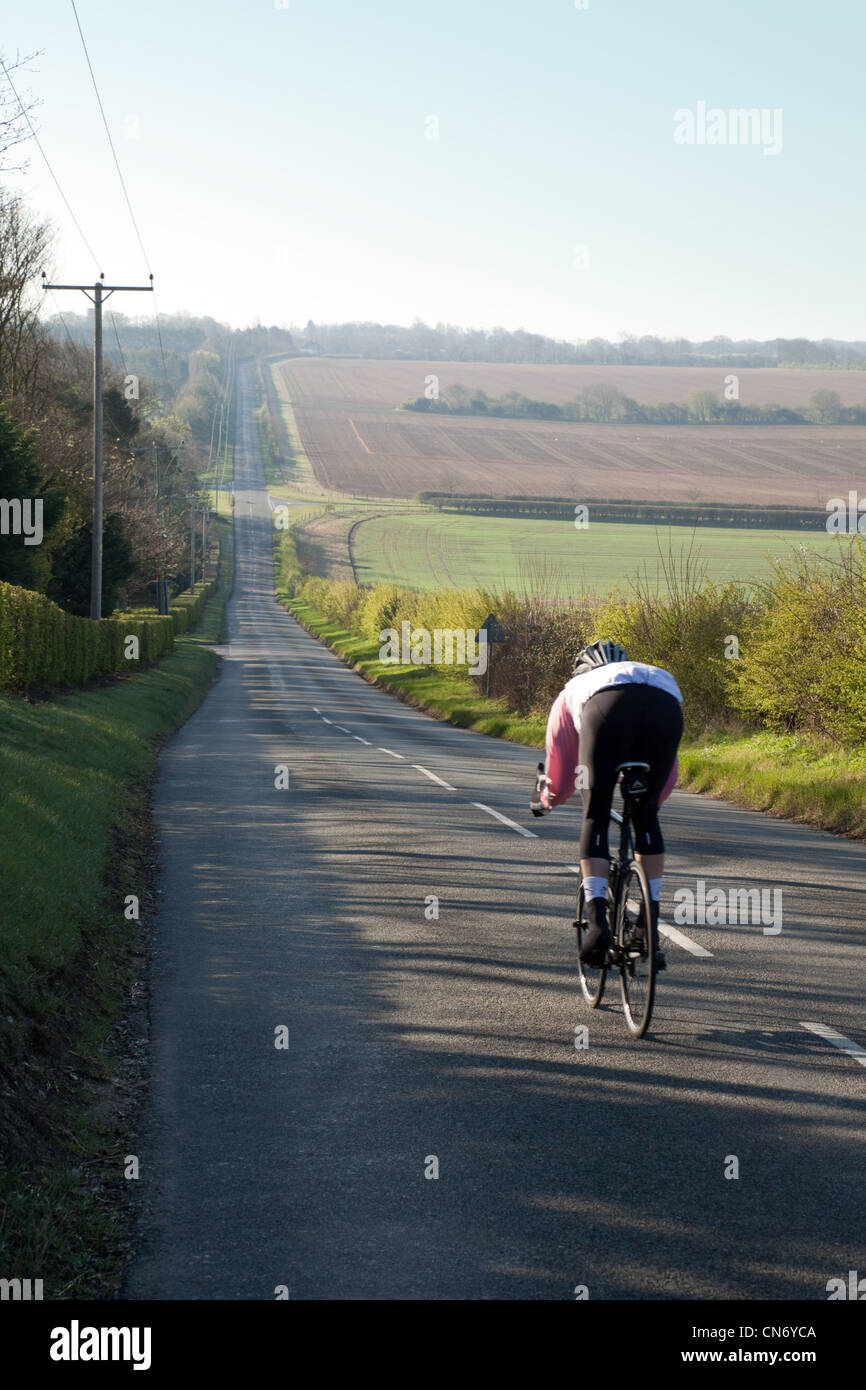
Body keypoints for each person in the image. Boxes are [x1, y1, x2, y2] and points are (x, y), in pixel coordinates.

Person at [531, 639, 683, 968]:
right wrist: (647, 802)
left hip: (606, 710)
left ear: (581, 669)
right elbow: (669, 776)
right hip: (666, 704)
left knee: (596, 814)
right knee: (646, 819)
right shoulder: (649, 674)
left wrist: (545, 800)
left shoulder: (574, 689)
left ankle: (597, 925)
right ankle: (648, 926)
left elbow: (560, 773)